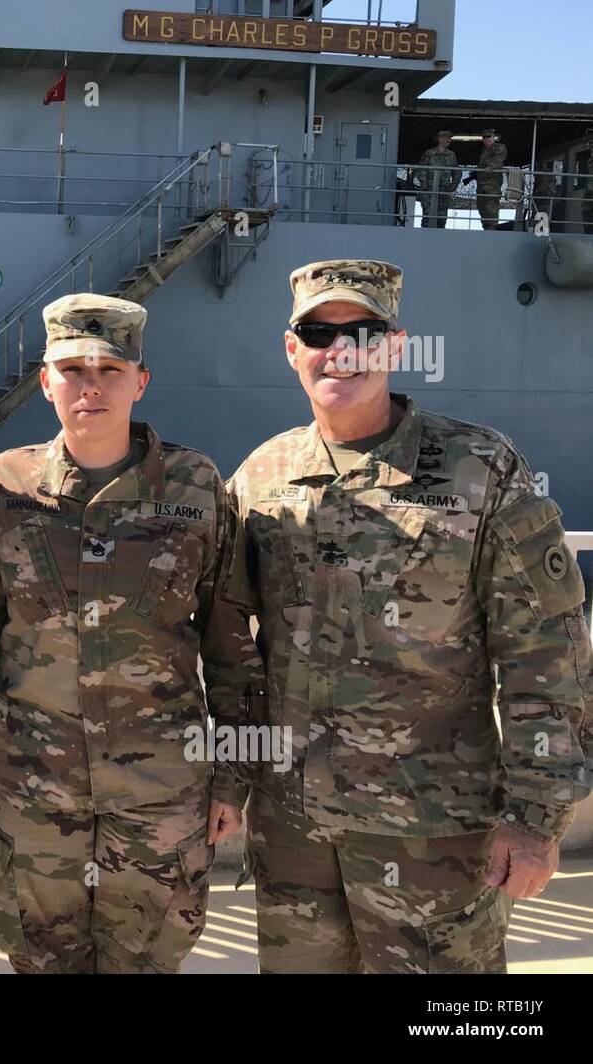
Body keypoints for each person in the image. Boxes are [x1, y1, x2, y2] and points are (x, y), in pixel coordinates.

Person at [229, 260, 592, 974]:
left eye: (364, 332)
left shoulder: (478, 470)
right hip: (295, 829)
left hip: (433, 834)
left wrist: (536, 820)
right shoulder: (262, 478)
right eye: (319, 332)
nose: (343, 351)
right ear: (291, 347)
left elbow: (545, 654)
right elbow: (230, 646)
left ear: (395, 347)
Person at [0, 293, 266, 974]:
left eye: (110, 370)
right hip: (33, 794)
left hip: (160, 797)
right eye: (71, 370)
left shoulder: (196, 488)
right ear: (45, 382)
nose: (90, 386)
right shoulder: (2, 488)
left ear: (140, 381)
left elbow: (231, 645)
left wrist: (232, 781)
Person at [415, 130, 460, 228]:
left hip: (444, 189)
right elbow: (421, 170)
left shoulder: (451, 155)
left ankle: (439, 239)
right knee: (427, 215)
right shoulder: (429, 153)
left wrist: (452, 186)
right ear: (440, 139)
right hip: (429, 189)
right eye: (446, 138)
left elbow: (457, 171)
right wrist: (425, 187)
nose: (449, 140)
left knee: (441, 217)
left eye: (450, 138)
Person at [471, 128, 508, 230]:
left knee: (491, 209)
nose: (486, 139)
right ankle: (486, 229)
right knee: (482, 208)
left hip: (492, 186)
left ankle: (492, 231)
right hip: (482, 185)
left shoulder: (499, 147)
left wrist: (485, 169)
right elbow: (482, 167)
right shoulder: (484, 152)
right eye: (484, 137)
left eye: (489, 136)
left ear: (493, 137)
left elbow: (496, 162)